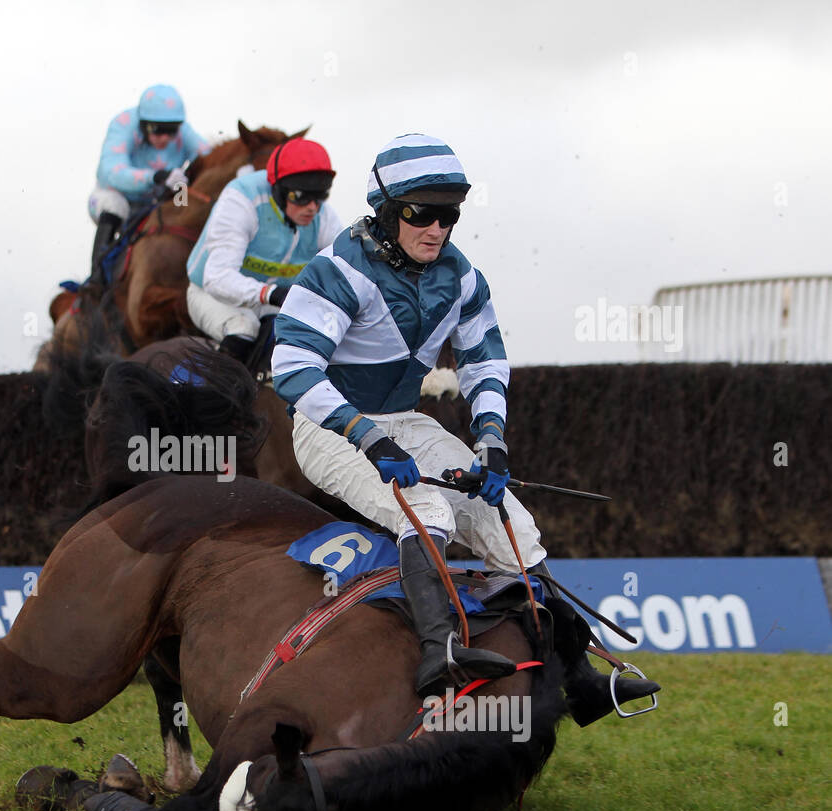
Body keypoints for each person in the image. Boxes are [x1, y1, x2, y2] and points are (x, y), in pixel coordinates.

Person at [272, 133, 659, 716]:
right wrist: (367, 436)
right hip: (328, 428)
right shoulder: (335, 271)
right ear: (386, 209)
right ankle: (440, 653)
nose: (436, 229)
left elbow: (484, 361)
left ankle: (579, 680)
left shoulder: (464, 277)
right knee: (427, 508)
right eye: (420, 214)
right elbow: (293, 368)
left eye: (447, 216)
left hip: (405, 421)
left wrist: (492, 442)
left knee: (511, 521)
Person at [186, 137, 342, 369]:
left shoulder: (322, 215)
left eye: (320, 196)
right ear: (278, 190)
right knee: (244, 328)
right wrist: (270, 293)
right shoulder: (241, 199)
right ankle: (212, 398)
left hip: (271, 300)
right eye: (301, 197)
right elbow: (216, 278)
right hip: (213, 294)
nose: (312, 207)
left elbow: (349, 267)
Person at [86, 84, 210, 288]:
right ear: (143, 124)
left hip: (156, 200)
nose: (165, 138)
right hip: (115, 197)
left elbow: (209, 155)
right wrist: (155, 177)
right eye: (157, 130)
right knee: (114, 205)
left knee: (185, 198)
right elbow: (110, 171)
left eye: (171, 132)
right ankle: (96, 279)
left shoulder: (183, 131)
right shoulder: (123, 124)